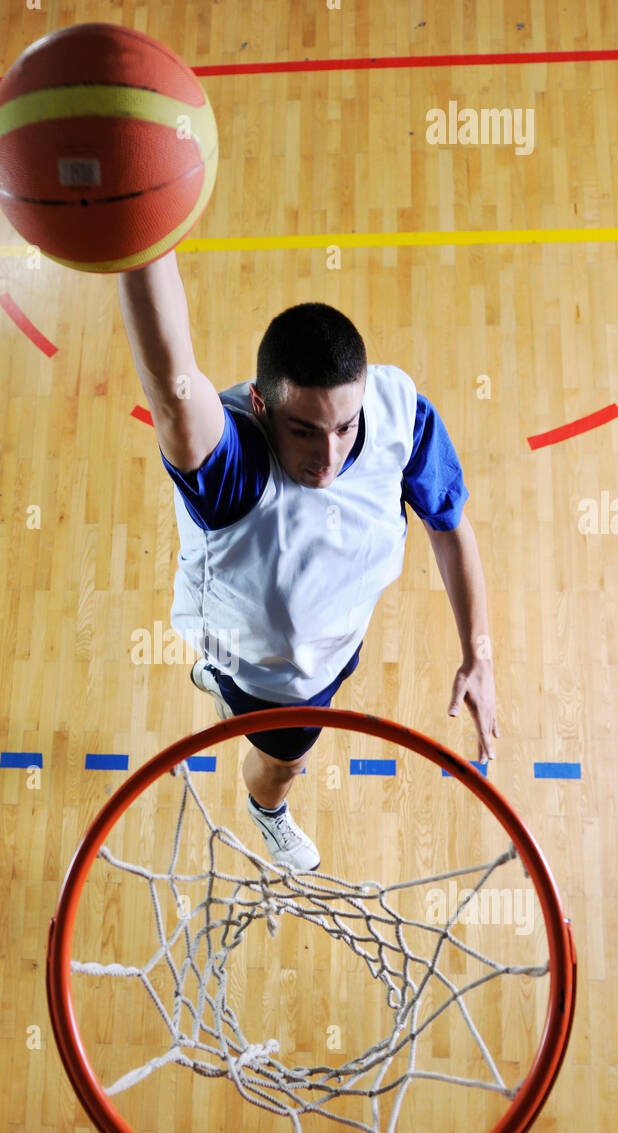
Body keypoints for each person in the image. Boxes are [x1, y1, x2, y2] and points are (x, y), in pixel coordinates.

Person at [117, 250, 499, 870]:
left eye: (345, 427)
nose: (329, 455)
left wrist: (477, 656)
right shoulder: (233, 469)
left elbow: (449, 525)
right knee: (283, 763)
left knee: (337, 661)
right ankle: (269, 809)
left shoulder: (398, 412)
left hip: (338, 639)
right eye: (304, 431)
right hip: (273, 681)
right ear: (261, 406)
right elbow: (170, 380)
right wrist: (138, 238)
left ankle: (218, 681)